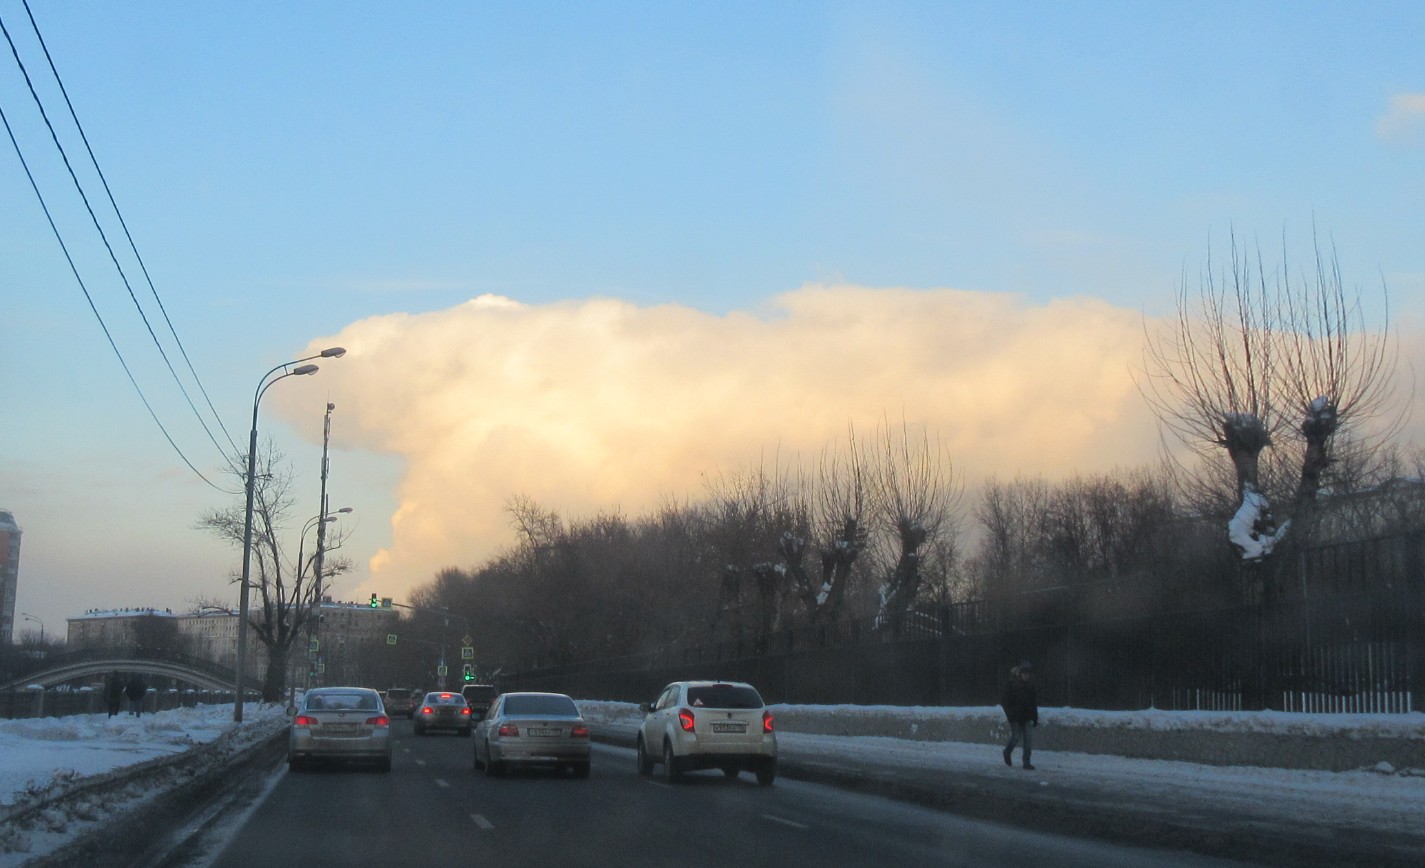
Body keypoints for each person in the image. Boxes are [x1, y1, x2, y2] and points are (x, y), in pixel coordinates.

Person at [999, 661, 1039, 770]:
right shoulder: (1012, 684)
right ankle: (1007, 751)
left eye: (1028, 674)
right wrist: (1010, 714)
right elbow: (1005, 701)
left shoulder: (1031, 686)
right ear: (1019, 673)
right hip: (1015, 716)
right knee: (1016, 737)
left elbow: (1033, 703)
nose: (1026, 676)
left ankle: (1026, 762)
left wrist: (1035, 717)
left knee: (1028, 740)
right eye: (1024, 673)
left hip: (1027, 716)